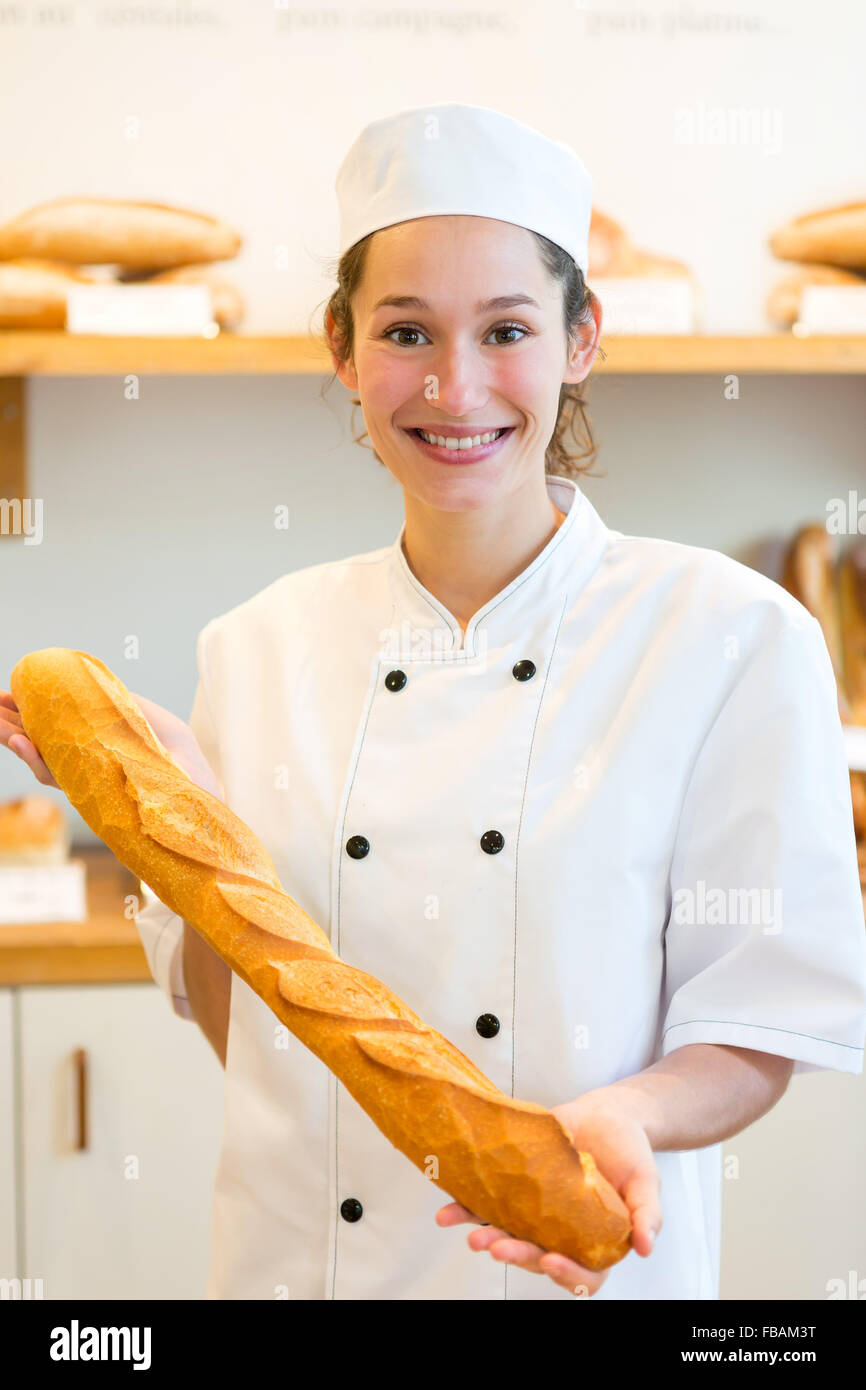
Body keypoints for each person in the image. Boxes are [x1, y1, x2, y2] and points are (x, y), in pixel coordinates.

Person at [3, 103, 865, 1302]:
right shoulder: (253, 647)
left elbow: (759, 1010)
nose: (454, 389)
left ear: (579, 339)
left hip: (573, 1277)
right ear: (343, 350)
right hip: (293, 1273)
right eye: (405, 331)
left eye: (505, 329)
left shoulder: (726, 636)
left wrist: (628, 1111)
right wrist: (178, 832)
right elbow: (254, 1028)